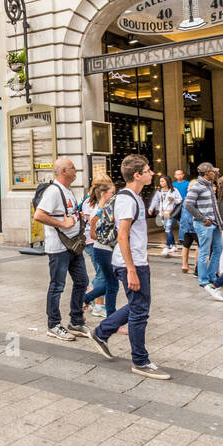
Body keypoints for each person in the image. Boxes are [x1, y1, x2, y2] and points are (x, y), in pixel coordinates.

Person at [91, 155, 169, 379]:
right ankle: (140, 361)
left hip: (133, 261)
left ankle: (101, 332)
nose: (152, 173)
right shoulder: (127, 199)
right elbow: (123, 236)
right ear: (137, 175)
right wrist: (132, 269)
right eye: (148, 170)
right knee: (139, 311)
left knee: (138, 306)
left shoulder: (133, 197)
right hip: (130, 264)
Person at [32, 157, 88, 340]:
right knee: (57, 286)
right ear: (64, 171)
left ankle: (76, 321)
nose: (76, 170)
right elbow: (39, 215)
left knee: (82, 281)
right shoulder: (53, 191)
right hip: (59, 248)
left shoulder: (68, 191)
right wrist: (62, 223)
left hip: (73, 246)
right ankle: (54, 325)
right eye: (72, 168)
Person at [81, 178, 118, 323]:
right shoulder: (99, 209)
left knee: (111, 283)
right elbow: (93, 232)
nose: (114, 195)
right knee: (111, 283)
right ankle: (110, 317)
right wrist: (108, 242)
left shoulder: (105, 206)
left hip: (105, 249)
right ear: (103, 193)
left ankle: (86, 300)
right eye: (112, 192)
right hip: (103, 249)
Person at [184, 162, 223, 289]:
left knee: (218, 248)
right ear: (207, 173)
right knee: (204, 252)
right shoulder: (197, 186)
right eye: (213, 171)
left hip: (214, 223)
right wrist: (203, 219)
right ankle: (203, 280)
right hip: (204, 224)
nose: (216, 173)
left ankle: (212, 276)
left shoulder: (209, 185)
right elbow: (188, 205)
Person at [150, 174, 182, 256]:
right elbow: (155, 200)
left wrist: (173, 199)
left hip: (170, 213)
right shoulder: (159, 191)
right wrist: (151, 208)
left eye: (163, 181)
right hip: (163, 213)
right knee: (168, 230)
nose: (161, 182)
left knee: (168, 229)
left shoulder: (174, 190)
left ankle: (167, 247)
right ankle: (174, 246)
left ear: (167, 182)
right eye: (160, 181)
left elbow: (180, 200)